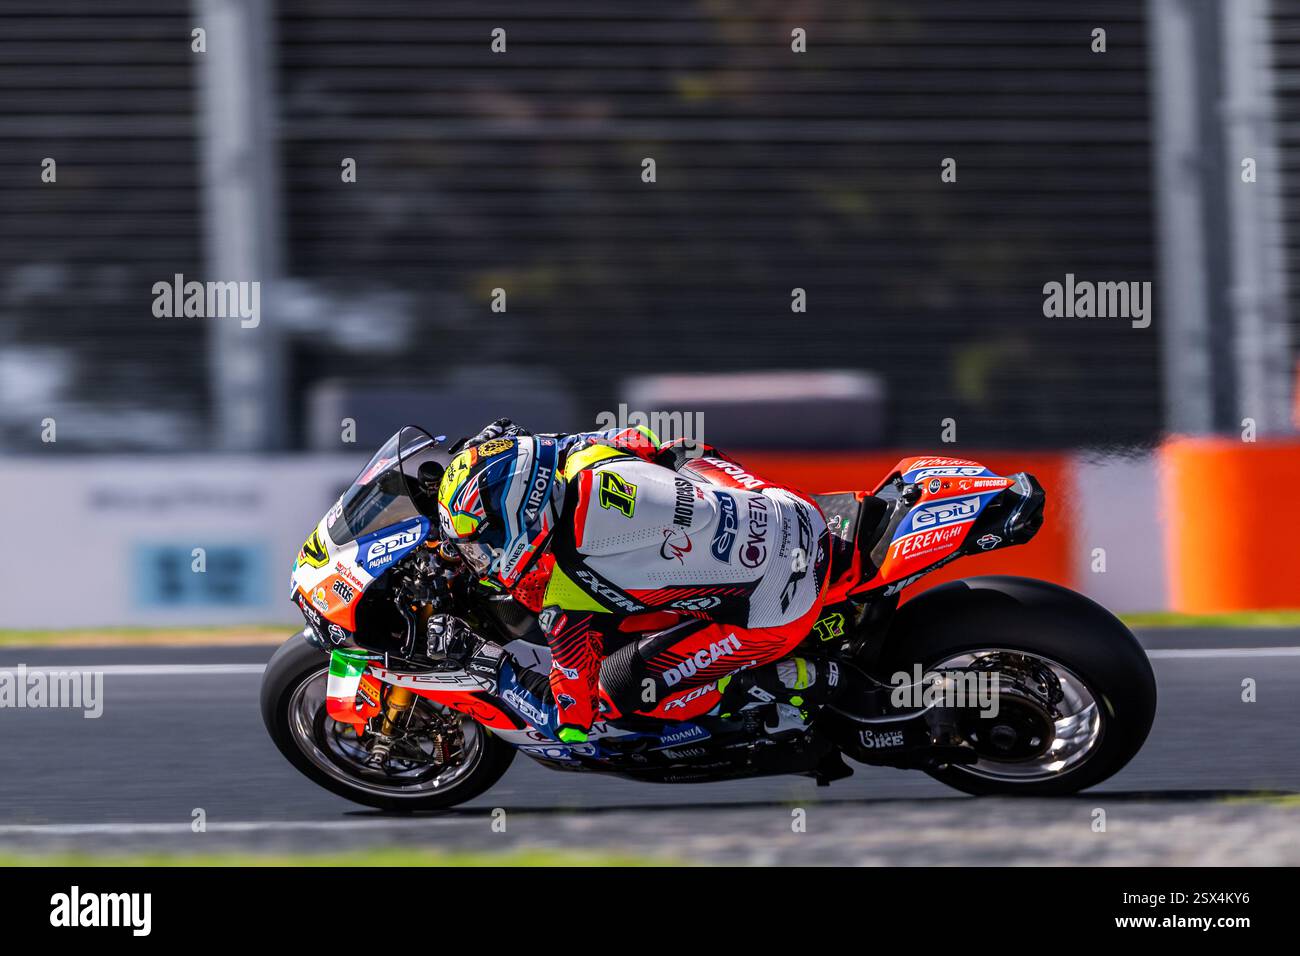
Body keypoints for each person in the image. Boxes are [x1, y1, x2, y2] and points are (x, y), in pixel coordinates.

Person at [433, 419, 848, 743]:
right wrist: (500, 450)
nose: (478, 558)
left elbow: (572, 721)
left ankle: (796, 682)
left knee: (617, 695)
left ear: (522, 521)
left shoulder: (562, 587)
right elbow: (638, 437)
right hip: (792, 508)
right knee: (678, 452)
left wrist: (489, 666)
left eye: (480, 545)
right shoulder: (586, 457)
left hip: (783, 604)